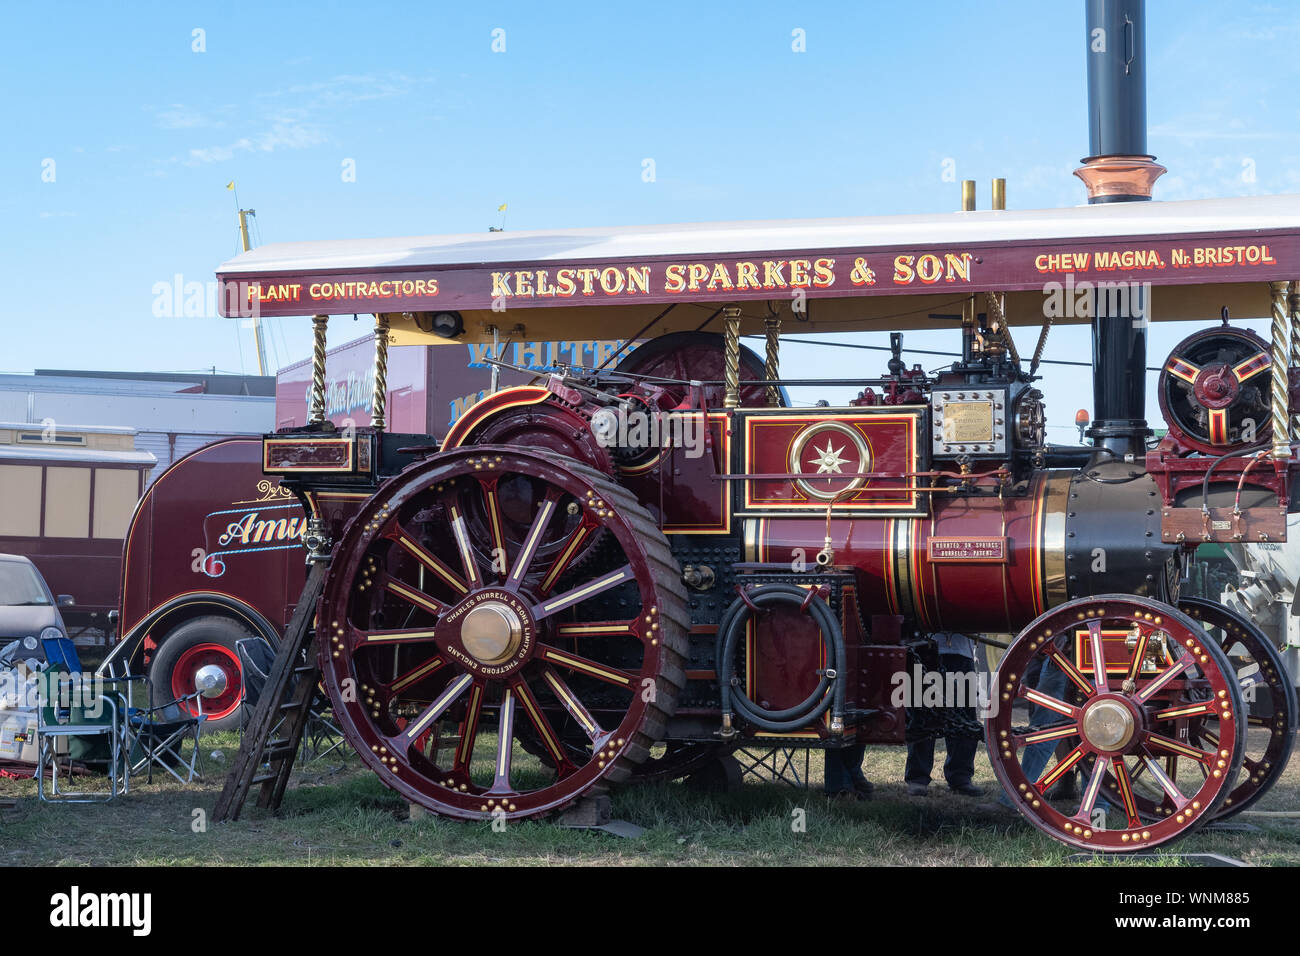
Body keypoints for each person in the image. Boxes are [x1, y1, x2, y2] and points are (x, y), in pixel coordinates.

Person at [905, 631, 983, 797]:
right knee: (922, 715)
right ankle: (917, 778)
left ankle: (960, 777)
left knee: (964, 720)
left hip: (962, 653)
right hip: (927, 648)